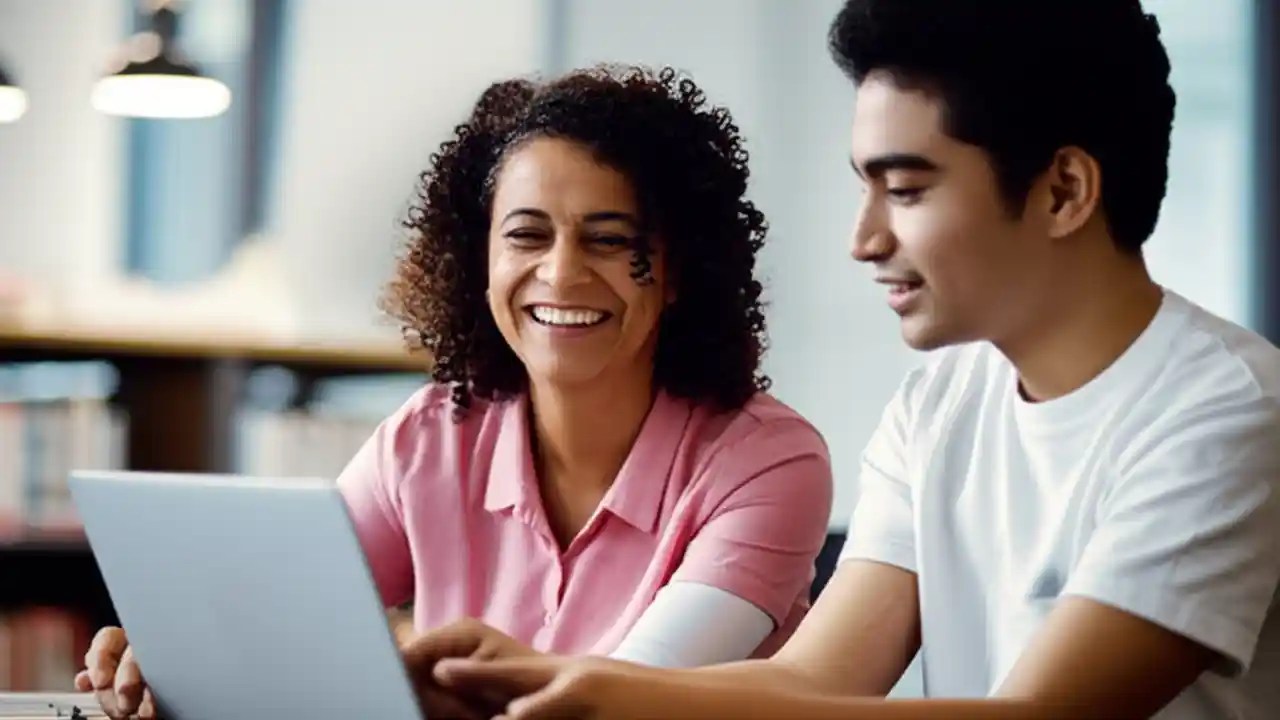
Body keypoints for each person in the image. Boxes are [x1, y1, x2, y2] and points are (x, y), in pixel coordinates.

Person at [429, 2, 1280, 719]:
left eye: (905, 190)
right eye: (864, 189)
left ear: (1063, 191)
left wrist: (604, 696)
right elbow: (816, 678)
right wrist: (552, 678)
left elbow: (1035, 719)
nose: (864, 239)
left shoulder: (1226, 414)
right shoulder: (936, 408)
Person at [74, 65, 834, 719]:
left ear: (677, 272)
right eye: (527, 235)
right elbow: (286, 623)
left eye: (609, 239)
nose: (562, 274)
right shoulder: (430, 436)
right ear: (480, 261)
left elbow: (629, 697)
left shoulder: (768, 463)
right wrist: (175, 658)